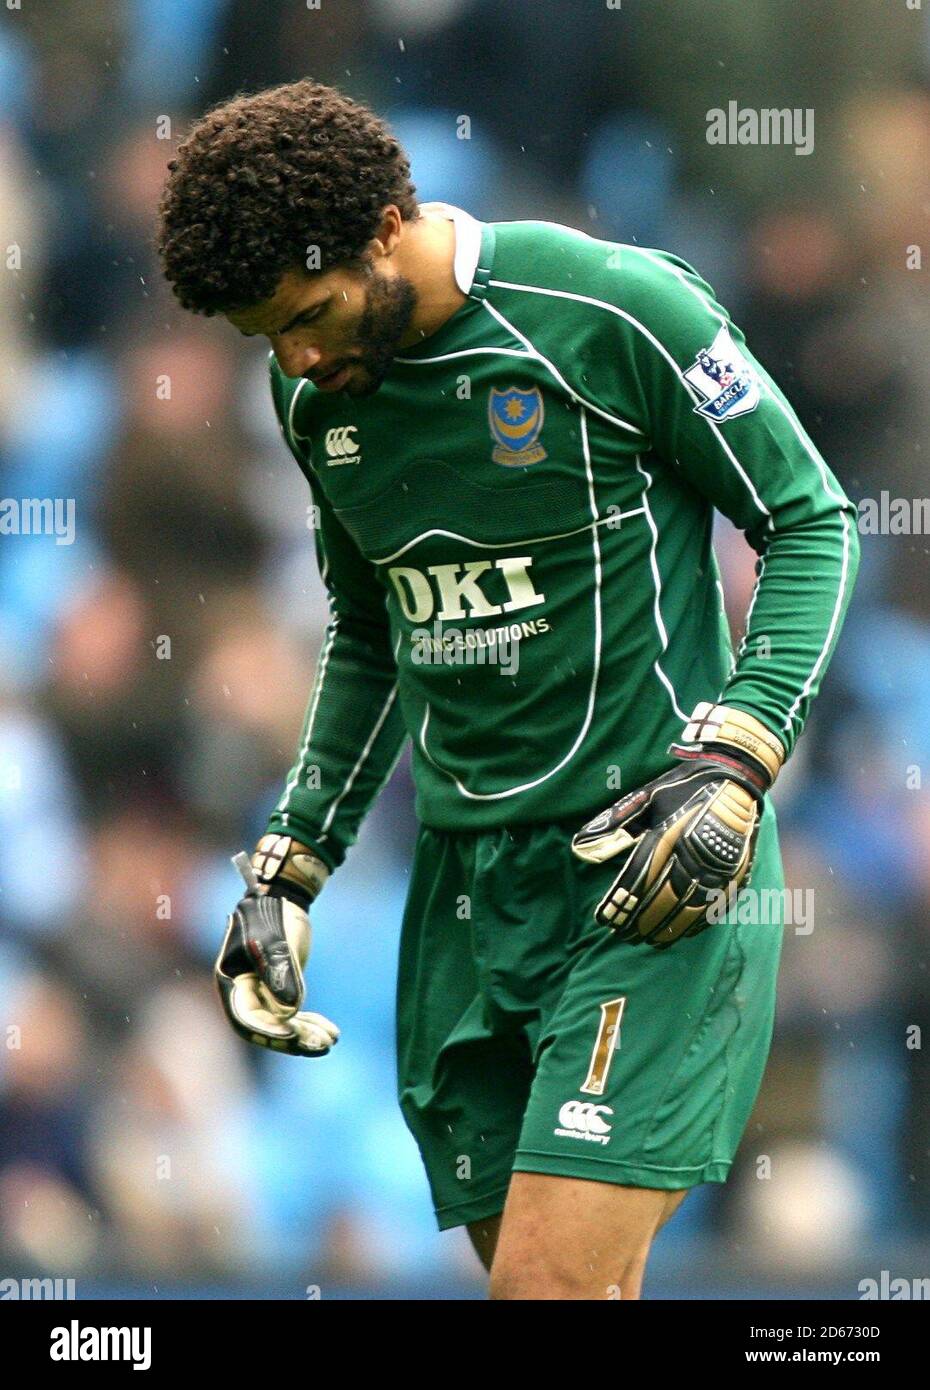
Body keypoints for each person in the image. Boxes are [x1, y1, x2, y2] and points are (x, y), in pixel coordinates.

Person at [157, 79, 859, 1300]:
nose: (300, 358)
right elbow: (372, 628)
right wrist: (292, 858)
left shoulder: (606, 306)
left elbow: (810, 521)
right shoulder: (311, 392)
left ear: (385, 225)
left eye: (310, 316)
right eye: (266, 338)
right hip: (468, 899)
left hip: (652, 868)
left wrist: (740, 758)